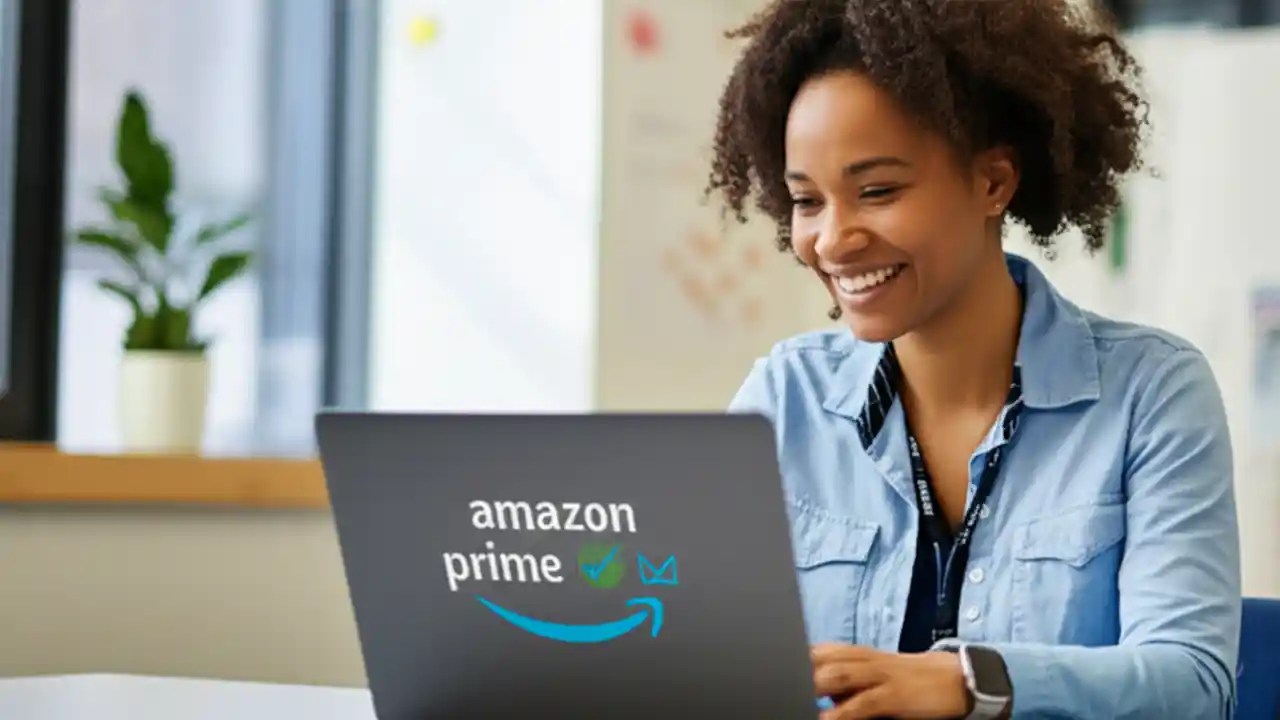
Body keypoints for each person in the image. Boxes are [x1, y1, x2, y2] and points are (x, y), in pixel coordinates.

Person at [709, 1, 1241, 718]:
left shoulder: (1151, 393)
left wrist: (971, 683)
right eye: (807, 201)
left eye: (878, 192)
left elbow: (1192, 686)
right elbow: (706, 665)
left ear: (993, 182)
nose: (832, 241)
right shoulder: (784, 397)